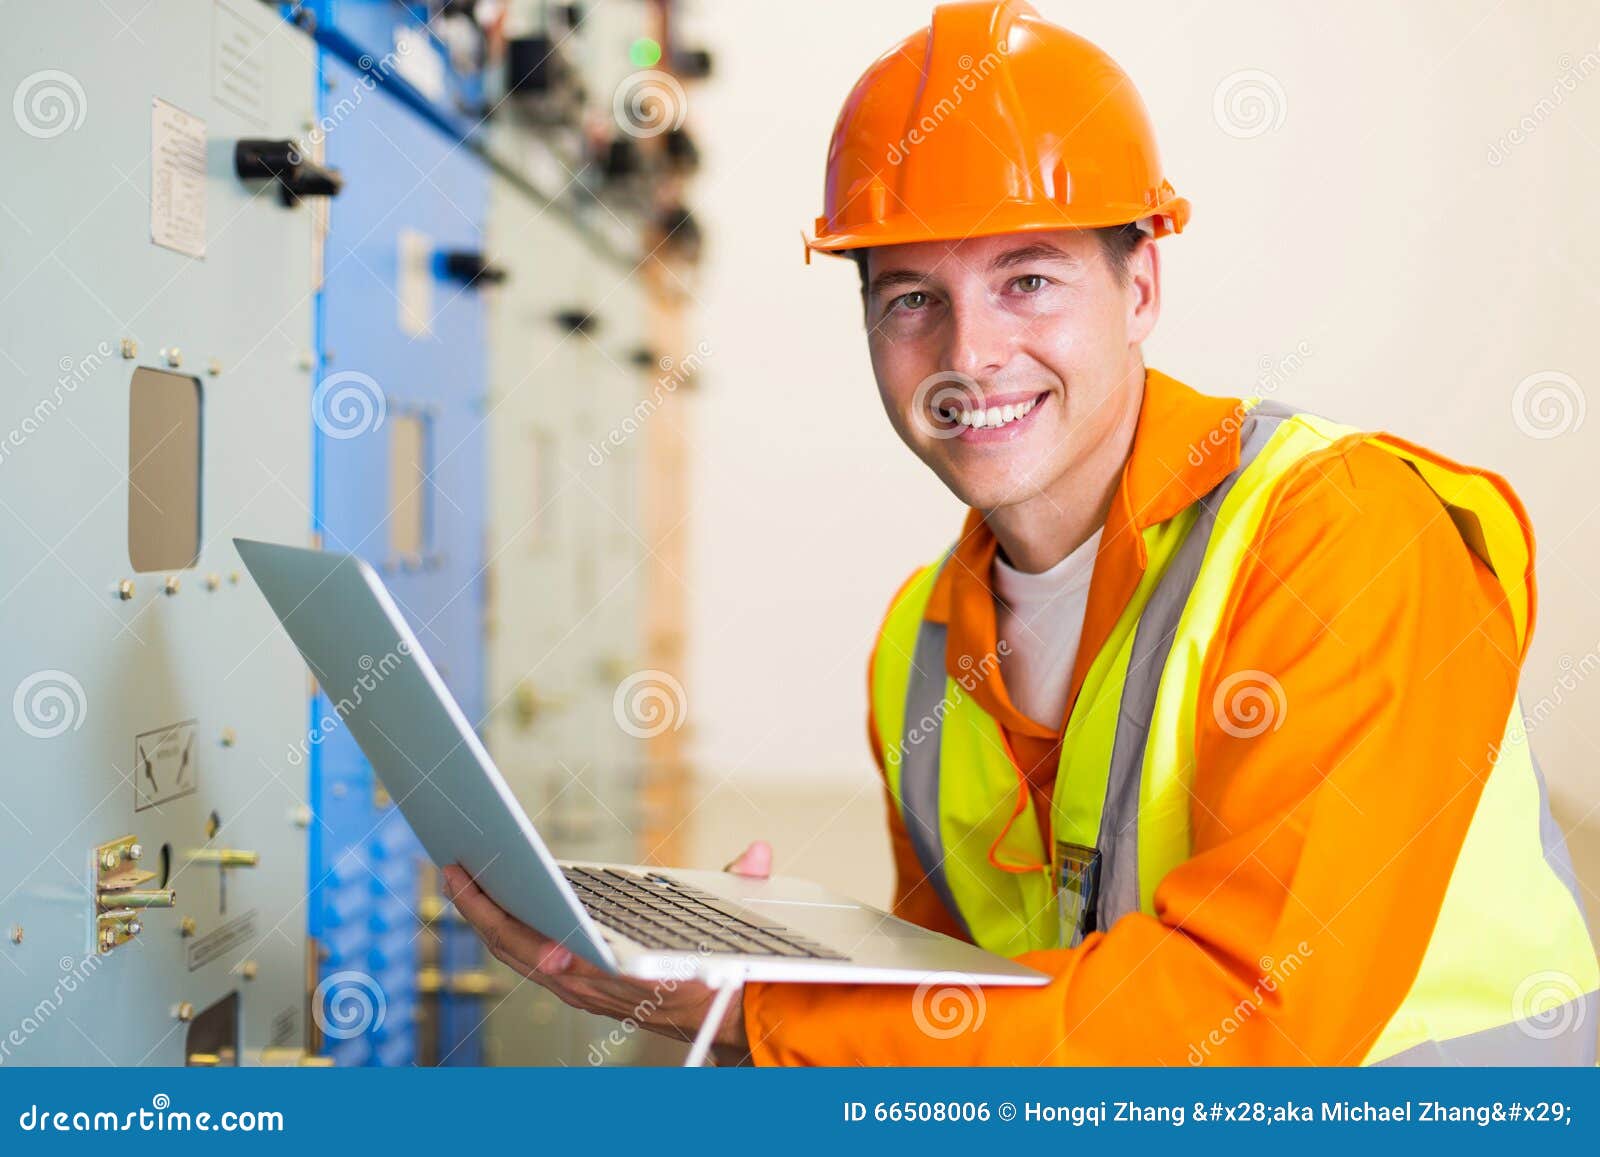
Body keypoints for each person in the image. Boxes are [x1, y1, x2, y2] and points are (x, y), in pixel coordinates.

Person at [444, 0, 1597, 1065]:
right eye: (909, 298)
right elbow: (975, 1006)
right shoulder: (921, 645)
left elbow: (1253, 1020)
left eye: (1028, 279)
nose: (968, 354)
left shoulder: (1342, 536)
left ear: (1139, 284)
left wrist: (769, 1010)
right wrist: (777, 949)